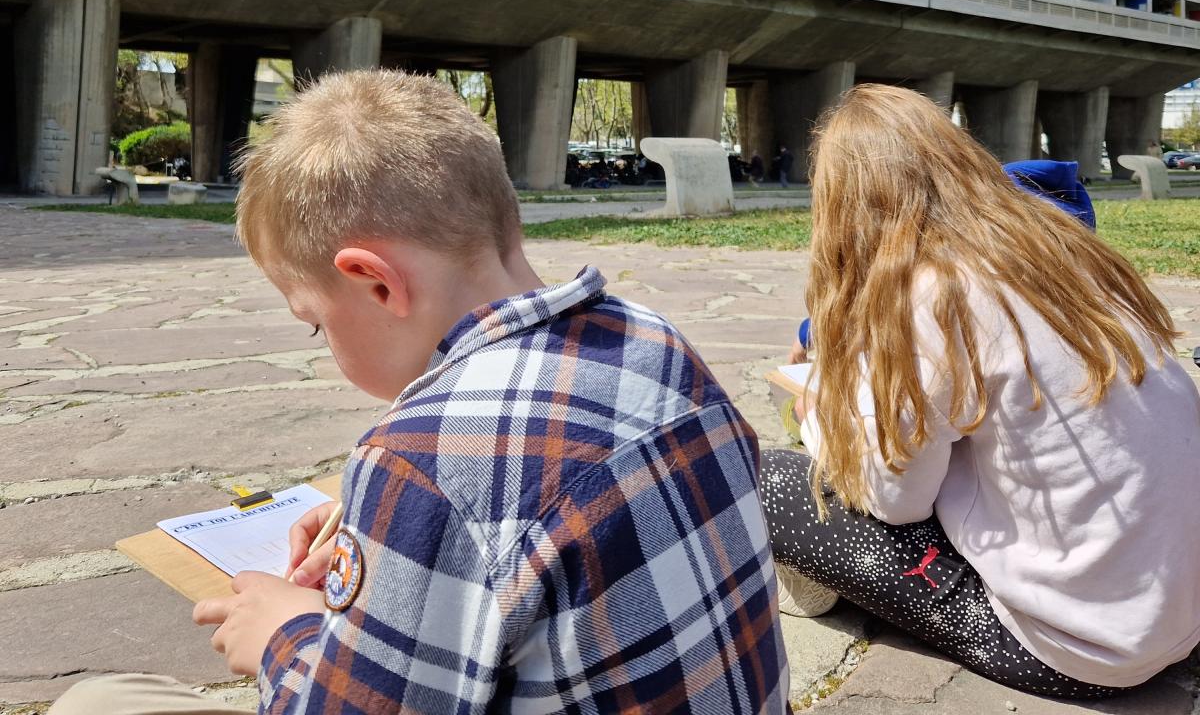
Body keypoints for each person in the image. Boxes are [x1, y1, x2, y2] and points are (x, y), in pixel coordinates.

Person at [51, 71, 788, 715]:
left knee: (97, 703)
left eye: (316, 325)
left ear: (375, 281)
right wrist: (382, 521)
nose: (323, 343)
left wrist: (284, 634)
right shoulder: (653, 339)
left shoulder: (424, 464)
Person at [761, 84, 1200, 700]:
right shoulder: (1059, 247)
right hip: (1181, 605)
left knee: (770, 478)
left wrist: (822, 417)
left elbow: (895, 502)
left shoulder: (928, 296)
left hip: (1085, 645)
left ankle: (818, 574)